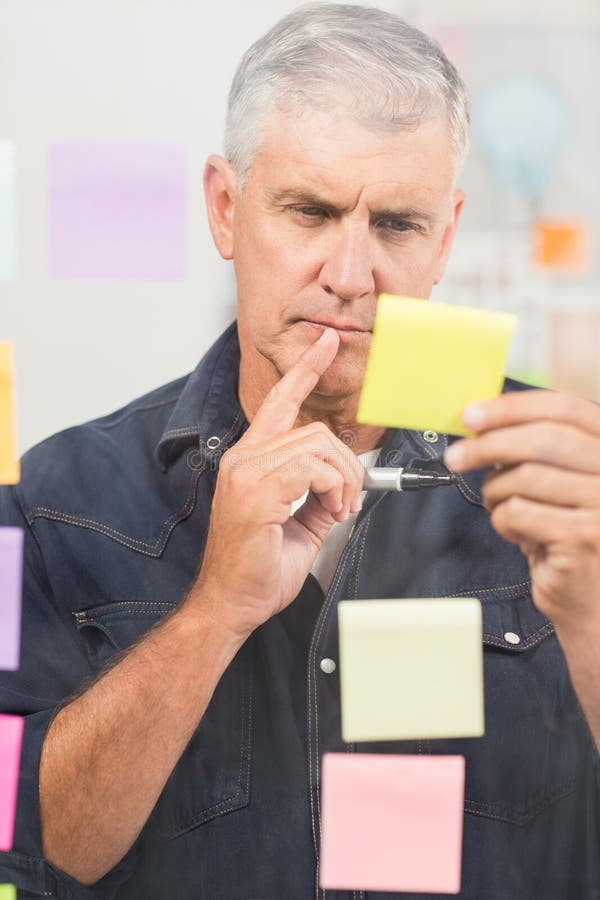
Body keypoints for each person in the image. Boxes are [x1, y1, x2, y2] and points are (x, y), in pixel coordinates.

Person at [1, 4, 599, 899]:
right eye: (310, 212)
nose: (351, 277)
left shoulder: (560, 487)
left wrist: (591, 615)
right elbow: (33, 846)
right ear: (226, 209)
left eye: (397, 225)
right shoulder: (48, 502)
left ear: (445, 237)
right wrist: (212, 615)